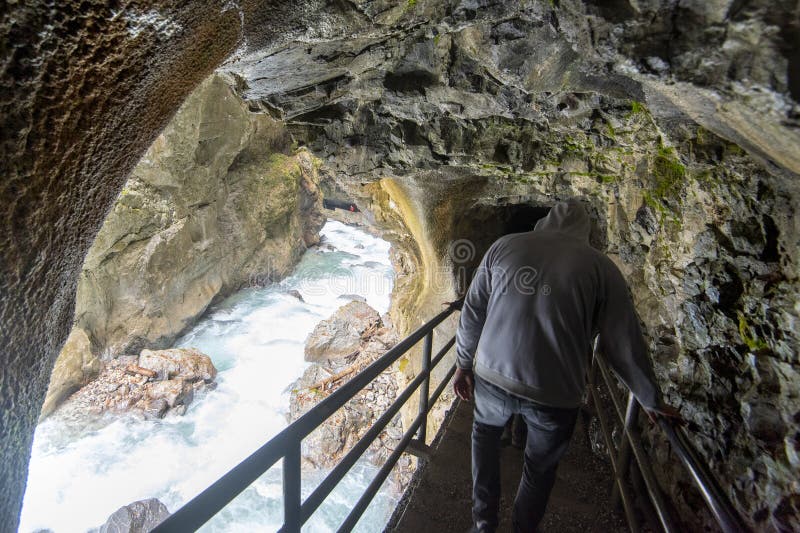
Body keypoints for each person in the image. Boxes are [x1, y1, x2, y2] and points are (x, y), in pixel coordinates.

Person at [453, 198, 678, 533]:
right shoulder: (601, 268)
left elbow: (473, 312)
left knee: (484, 440)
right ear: (586, 230)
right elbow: (622, 341)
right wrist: (649, 399)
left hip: (492, 375)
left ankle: (483, 523)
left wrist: (462, 364)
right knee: (538, 469)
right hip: (555, 391)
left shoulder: (504, 246)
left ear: (546, 221)